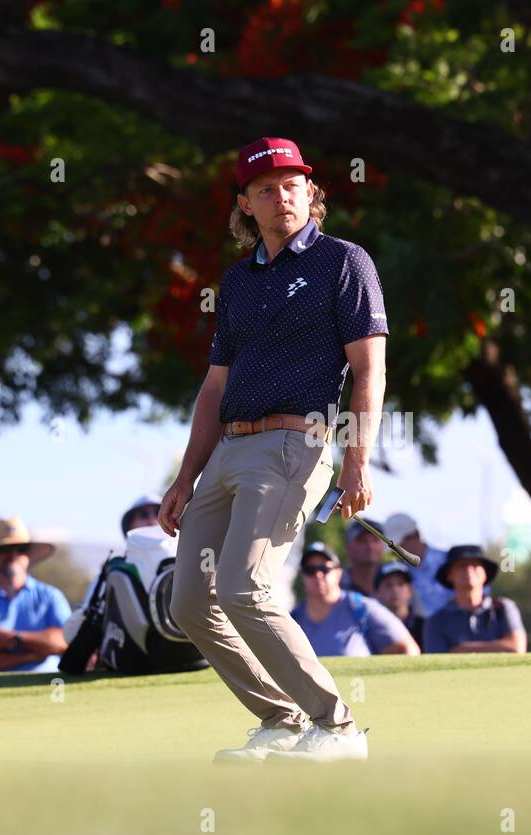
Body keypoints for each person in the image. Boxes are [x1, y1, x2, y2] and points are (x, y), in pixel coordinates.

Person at [161, 136, 389, 764]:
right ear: (246, 204)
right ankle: (281, 719)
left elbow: (369, 368)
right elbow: (215, 387)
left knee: (243, 587)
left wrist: (357, 455)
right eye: (266, 188)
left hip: (297, 442)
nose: (281, 196)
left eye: (292, 185)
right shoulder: (236, 282)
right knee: (188, 601)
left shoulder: (345, 261)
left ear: (309, 193)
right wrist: (185, 478)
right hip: (229, 450)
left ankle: (337, 728)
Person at [0, 517, 72, 673]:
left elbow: (65, 641)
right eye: (5, 549)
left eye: (20, 548)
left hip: (45, 687)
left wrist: (12, 638)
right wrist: (28, 657)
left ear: (28, 555)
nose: (13, 554)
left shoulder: (50, 597)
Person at [290, 543, 419, 657]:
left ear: (339, 573)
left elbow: (409, 649)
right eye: (310, 570)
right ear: (302, 576)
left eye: (324, 569)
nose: (318, 575)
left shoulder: (361, 607)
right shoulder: (293, 620)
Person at [423, 545, 526, 653]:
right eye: (462, 566)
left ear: (485, 573)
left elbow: (517, 647)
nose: (469, 570)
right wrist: (498, 646)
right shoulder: (436, 621)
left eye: (475, 565)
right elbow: (437, 662)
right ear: (450, 575)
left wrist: (459, 649)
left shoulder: (503, 608)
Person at [385, 512, 453, 616]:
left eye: (400, 545)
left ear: (415, 535)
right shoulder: (399, 572)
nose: (396, 553)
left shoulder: (450, 561)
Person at [373, 559, 424, 647]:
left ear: (410, 590)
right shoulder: (371, 628)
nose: (395, 590)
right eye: (388, 585)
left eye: (401, 584)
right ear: (377, 592)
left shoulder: (424, 626)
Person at [339, 518, 386, 596]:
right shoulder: (334, 585)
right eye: (363, 541)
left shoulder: (399, 582)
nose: (370, 546)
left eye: (375, 540)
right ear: (348, 548)